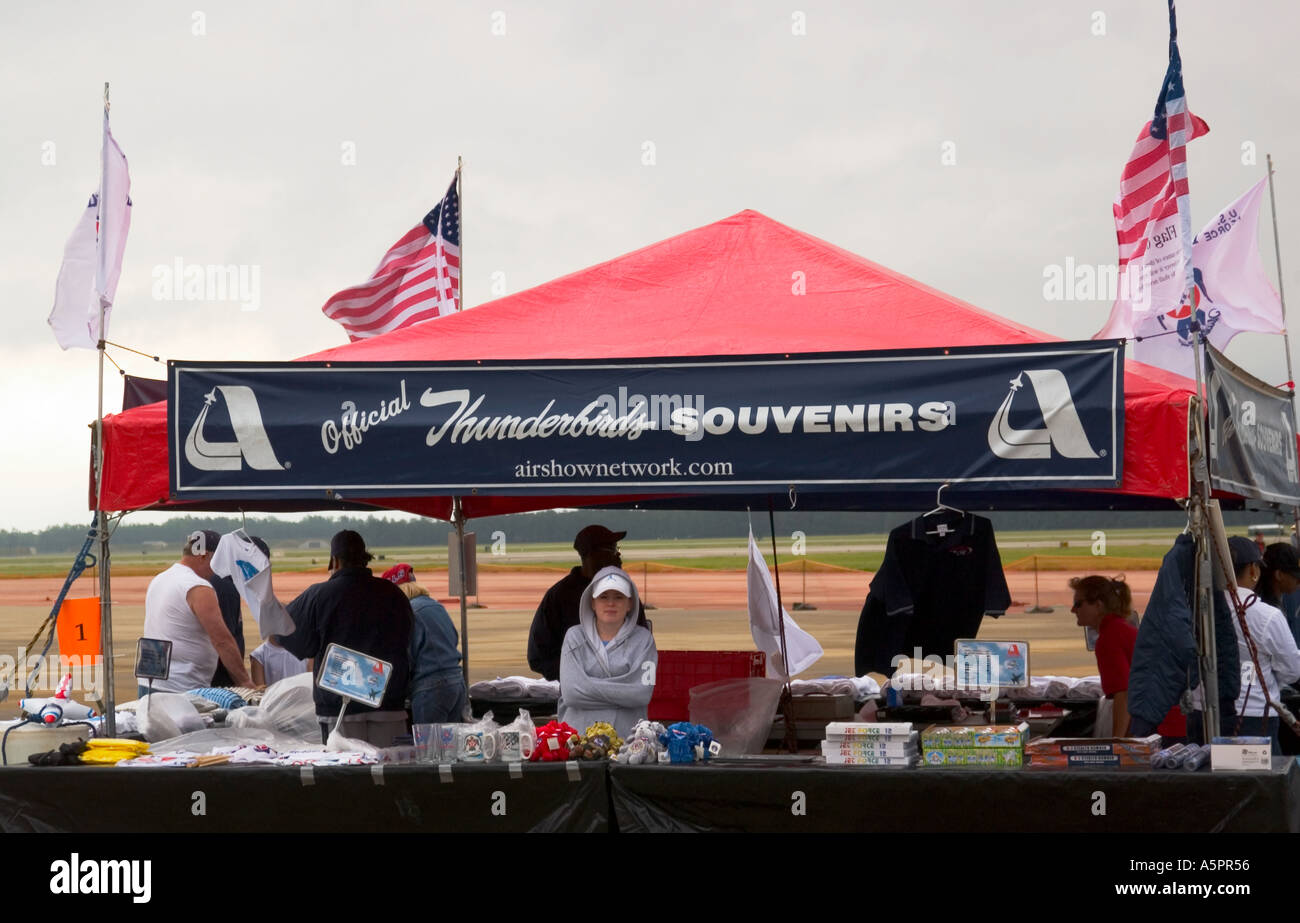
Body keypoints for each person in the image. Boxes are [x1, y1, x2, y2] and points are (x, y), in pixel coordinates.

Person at [273, 530, 413, 746]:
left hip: (340, 710)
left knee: (347, 775)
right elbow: (409, 641)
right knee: (390, 774)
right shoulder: (394, 594)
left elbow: (289, 637)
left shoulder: (318, 595)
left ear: (335, 561)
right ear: (364, 559)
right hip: (389, 706)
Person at [1069, 574, 1186, 741]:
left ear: (1098, 605)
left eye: (1078, 604)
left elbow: (1124, 694)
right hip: (1169, 721)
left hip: (1163, 726)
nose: (1073, 610)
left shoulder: (1109, 637)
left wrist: (1116, 741)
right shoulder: (1120, 629)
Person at [527, 524, 649, 681]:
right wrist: (580, 676)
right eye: (612, 550)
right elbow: (538, 656)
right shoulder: (559, 597)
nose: (618, 555)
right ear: (592, 555)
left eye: (618, 549)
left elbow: (643, 645)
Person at [141, 530, 252, 694]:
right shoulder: (198, 587)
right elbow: (222, 640)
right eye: (219, 560)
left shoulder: (160, 579)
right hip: (182, 687)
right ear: (204, 556)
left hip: (150, 681)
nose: (219, 569)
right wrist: (244, 682)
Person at [1219, 536, 1300, 753]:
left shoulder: (1202, 610)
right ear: (1254, 570)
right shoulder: (1267, 614)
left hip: (1209, 711)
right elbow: (1293, 670)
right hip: (1255, 715)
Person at [557, 565, 657, 739]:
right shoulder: (573, 637)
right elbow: (571, 694)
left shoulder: (644, 640)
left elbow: (641, 694)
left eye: (619, 597)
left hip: (627, 741)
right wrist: (622, 693)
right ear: (592, 602)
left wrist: (587, 686)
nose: (611, 603)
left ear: (630, 603)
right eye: (603, 597)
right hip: (578, 740)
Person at [382, 563, 468, 723]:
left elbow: (405, 656)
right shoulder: (435, 605)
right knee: (451, 745)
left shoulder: (407, 611)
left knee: (429, 746)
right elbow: (453, 638)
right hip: (456, 682)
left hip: (430, 688)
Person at [1259, 542, 1300, 648]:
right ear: (1279, 575)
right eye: (1297, 577)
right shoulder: (1270, 613)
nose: (1299, 583)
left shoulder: (1279, 598)